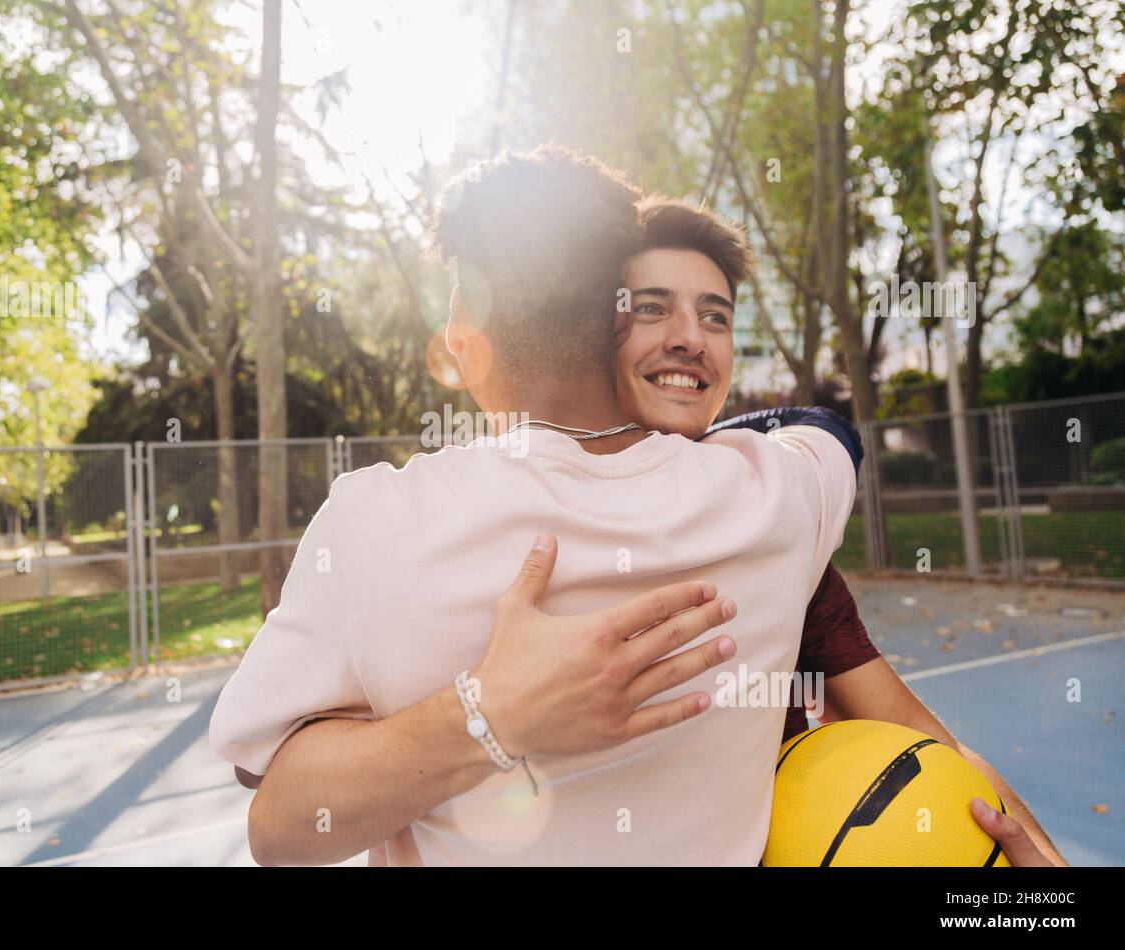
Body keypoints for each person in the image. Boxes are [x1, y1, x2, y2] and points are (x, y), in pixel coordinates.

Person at [210, 145, 859, 865]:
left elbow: (278, 828)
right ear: (617, 321)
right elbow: (829, 433)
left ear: (466, 334)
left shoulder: (376, 521)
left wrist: (485, 717)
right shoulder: (775, 495)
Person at [608, 195, 1064, 866]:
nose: (690, 337)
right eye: (651, 307)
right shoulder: (521, 539)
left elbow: (906, 726)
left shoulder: (770, 532)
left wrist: (1046, 870)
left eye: (715, 316)